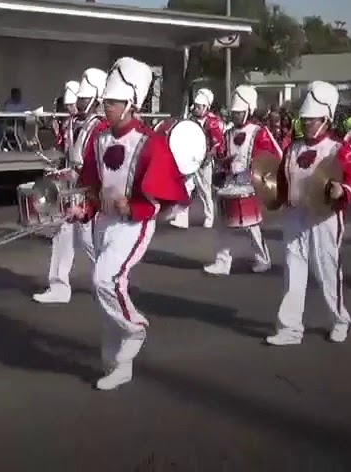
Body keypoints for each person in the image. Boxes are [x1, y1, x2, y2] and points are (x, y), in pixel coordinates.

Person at [78, 57, 188, 390]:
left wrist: (134, 206)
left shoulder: (149, 143)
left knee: (105, 279)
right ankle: (117, 364)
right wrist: (82, 207)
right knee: (105, 294)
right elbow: (91, 184)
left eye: (112, 102)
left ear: (131, 104)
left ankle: (135, 325)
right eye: (106, 101)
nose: (106, 106)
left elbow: (162, 194)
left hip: (133, 225)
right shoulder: (98, 139)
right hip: (103, 223)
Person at [265, 81, 351, 347]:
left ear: (325, 119)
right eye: (305, 119)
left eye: (312, 120)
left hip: (323, 218)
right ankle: (290, 328)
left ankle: (339, 320)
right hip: (295, 217)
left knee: (326, 271)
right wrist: (272, 193)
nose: (307, 124)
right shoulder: (293, 148)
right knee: (293, 272)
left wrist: (342, 190)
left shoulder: (338, 149)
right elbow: (281, 178)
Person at [34, 70, 107, 304]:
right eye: (80, 98)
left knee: (88, 240)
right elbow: (67, 153)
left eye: (85, 99)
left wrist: (77, 175)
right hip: (70, 186)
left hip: (87, 189)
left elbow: (96, 163)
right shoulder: (72, 123)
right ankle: (58, 286)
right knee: (61, 234)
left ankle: (107, 282)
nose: (80, 103)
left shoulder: (100, 127)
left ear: (97, 99)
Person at [202, 85, 277, 276]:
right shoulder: (227, 133)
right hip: (230, 185)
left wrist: (254, 169)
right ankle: (222, 262)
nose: (235, 116)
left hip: (249, 185)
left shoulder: (259, 132)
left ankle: (263, 259)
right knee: (223, 226)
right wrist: (221, 165)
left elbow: (271, 156)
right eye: (233, 112)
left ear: (249, 111)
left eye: (239, 112)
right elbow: (223, 156)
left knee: (251, 227)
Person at [168, 89, 225, 229]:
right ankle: (182, 219)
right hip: (190, 161)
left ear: (206, 107)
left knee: (205, 191)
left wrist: (208, 157)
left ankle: (209, 217)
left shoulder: (212, 122)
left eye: (200, 106)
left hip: (204, 163)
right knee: (185, 188)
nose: (197, 109)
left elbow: (217, 143)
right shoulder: (190, 121)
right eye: (196, 106)